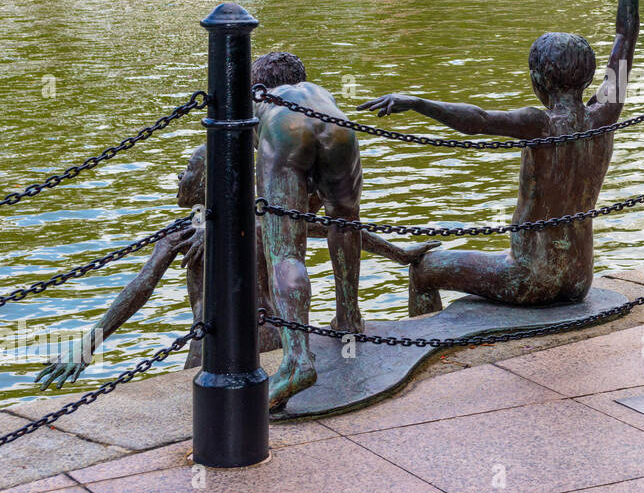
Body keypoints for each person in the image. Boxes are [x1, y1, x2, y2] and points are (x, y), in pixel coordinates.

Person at [360, 0, 644, 310]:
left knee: (424, 268)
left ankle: (425, 346)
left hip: (532, 277)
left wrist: (418, 102)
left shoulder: (540, 123)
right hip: (579, 276)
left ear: (539, 80)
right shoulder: (605, 112)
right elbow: (626, 34)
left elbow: (476, 121)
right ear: (586, 77)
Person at [34, 143, 435, 389]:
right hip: (278, 338)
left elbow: (140, 288)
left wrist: (88, 345)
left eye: (189, 170)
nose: (181, 176)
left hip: (219, 346)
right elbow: (342, 230)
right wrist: (402, 255)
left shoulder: (187, 230)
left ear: (209, 183)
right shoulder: (268, 218)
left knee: (196, 404)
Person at [253, 51, 365, 408]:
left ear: (258, 84)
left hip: (284, 132)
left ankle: (298, 360)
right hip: (338, 127)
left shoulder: (263, 101)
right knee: (345, 219)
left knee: (284, 250)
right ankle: (349, 318)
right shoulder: (318, 93)